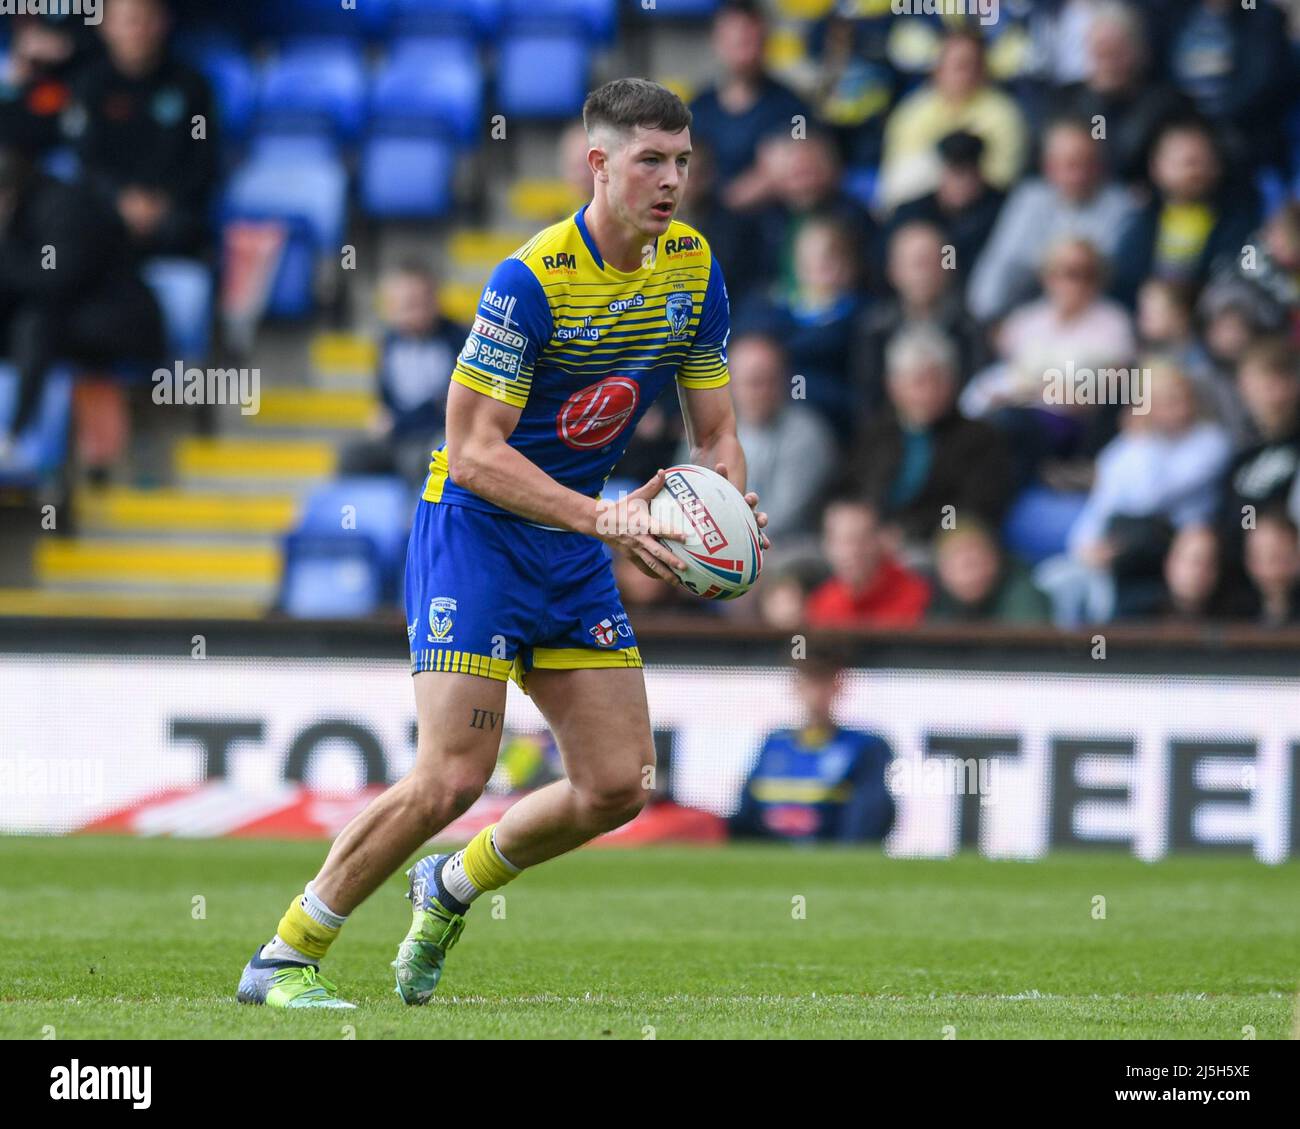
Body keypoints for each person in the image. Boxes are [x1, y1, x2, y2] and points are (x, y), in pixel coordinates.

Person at [235, 79, 767, 1009]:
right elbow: (475, 453)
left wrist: (721, 510)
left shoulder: (694, 268)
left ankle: (449, 885)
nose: (672, 179)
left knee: (617, 784)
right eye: (650, 159)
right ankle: (283, 955)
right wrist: (608, 517)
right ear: (597, 164)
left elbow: (715, 429)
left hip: (566, 544)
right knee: (450, 775)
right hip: (475, 533)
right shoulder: (531, 280)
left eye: (683, 160)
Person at [0, 146, 162, 460]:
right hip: (73, 315)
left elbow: (54, 278)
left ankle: (19, 435)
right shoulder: (22, 213)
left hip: (119, 321)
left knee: (35, 326)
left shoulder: (62, 208)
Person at [68, 0, 219, 258]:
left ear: (165, 22)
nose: (138, 31)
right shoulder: (88, 87)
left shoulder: (192, 87)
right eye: (130, 21)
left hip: (174, 214)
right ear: (106, 26)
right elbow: (86, 160)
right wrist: (121, 199)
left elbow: (203, 159)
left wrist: (161, 202)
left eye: (148, 19)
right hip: (107, 212)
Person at [855, 324, 1013, 550]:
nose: (928, 392)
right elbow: (848, 489)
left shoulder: (979, 438)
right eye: (917, 382)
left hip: (936, 548)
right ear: (893, 386)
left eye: (937, 380)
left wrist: (910, 532)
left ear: (952, 383)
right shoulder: (877, 434)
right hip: (867, 542)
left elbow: (970, 511)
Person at [966, 118, 1136, 324]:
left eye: (1088, 163)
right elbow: (1003, 264)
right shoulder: (1029, 199)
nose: (1079, 175)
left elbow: (1100, 275)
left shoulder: (1122, 205)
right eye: (1070, 165)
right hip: (1029, 319)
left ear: (1101, 166)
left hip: (1097, 320)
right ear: (1049, 166)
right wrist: (988, 321)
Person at [729, 651, 895, 844]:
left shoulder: (863, 746)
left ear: (838, 685)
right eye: (809, 681)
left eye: (823, 681)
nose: (816, 692)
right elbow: (746, 814)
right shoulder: (774, 744)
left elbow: (868, 821)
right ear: (795, 685)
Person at [337, 262, 467, 488]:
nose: (413, 311)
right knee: (351, 456)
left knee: (422, 457)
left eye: (419, 302)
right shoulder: (387, 343)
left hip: (436, 437)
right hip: (398, 437)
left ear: (434, 299)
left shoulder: (459, 340)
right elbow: (385, 401)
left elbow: (448, 406)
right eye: (405, 304)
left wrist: (397, 421)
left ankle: (414, 520)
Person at [878, 28, 1028, 212]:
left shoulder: (1003, 113)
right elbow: (900, 176)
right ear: (938, 69)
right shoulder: (913, 111)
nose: (963, 73)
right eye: (957, 65)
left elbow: (1001, 179)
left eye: (971, 65)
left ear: (983, 69)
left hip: (982, 209)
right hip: (924, 209)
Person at [805, 496, 929, 628]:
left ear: (879, 541)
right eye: (842, 541)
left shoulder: (918, 595)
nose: (852, 551)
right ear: (827, 546)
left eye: (862, 539)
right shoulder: (820, 604)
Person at [926, 522, 1052, 625]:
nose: (972, 571)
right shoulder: (927, 596)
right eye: (961, 562)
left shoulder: (1022, 593)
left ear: (996, 559)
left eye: (977, 559)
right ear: (940, 568)